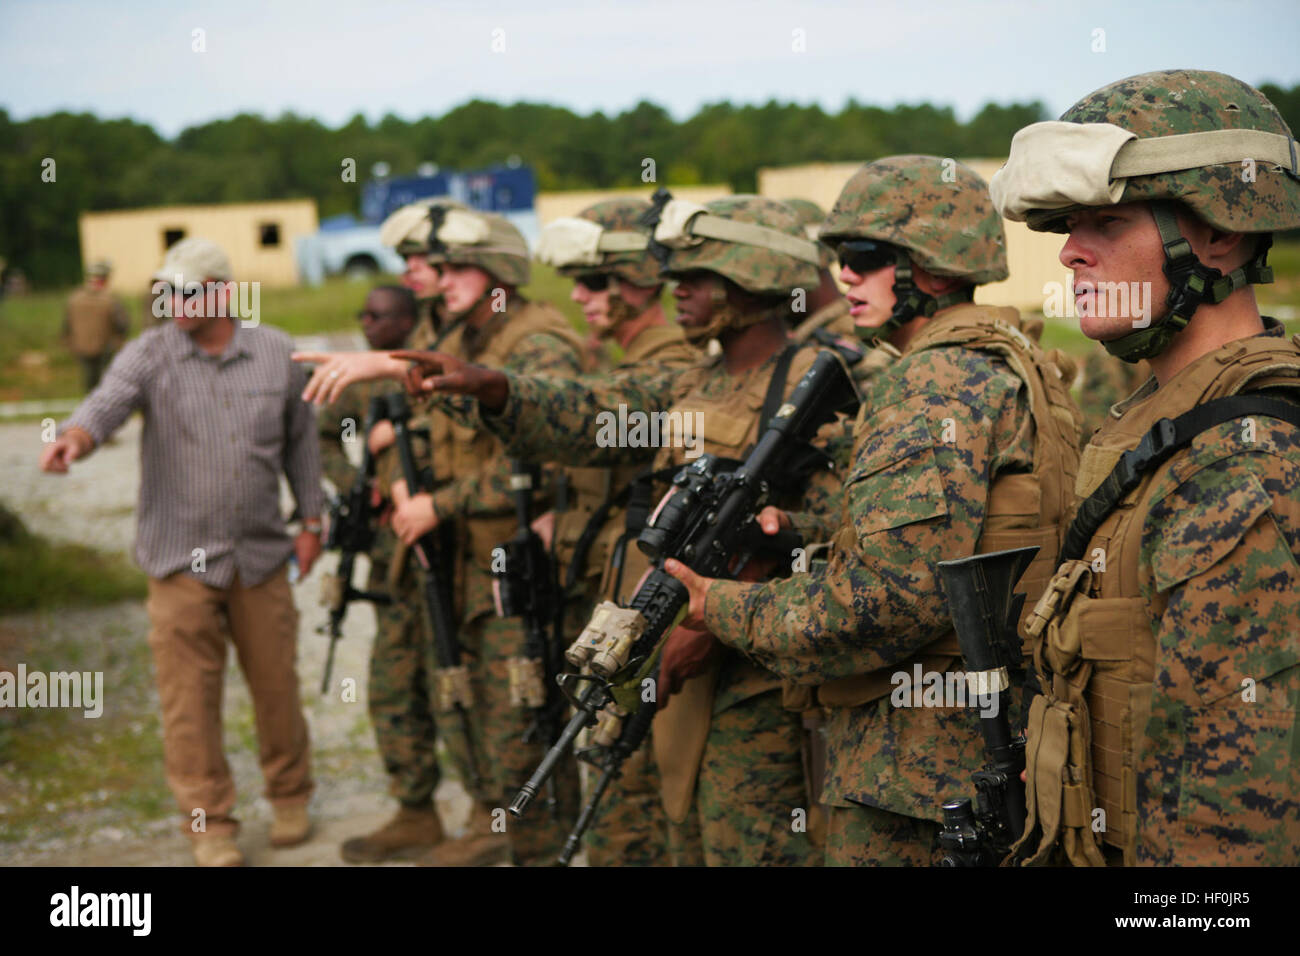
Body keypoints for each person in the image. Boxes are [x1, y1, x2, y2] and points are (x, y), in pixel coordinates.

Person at [334, 195, 850, 866]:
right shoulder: (693, 379)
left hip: (756, 678)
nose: (676, 293)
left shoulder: (826, 382)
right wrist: (492, 388)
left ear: (750, 280)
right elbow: (592, 412)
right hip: (665, 655)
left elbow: (837, 541)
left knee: (751, 846)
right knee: (667, 836)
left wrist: (728, 605)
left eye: (696, 278)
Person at [663, 157, 1083, 866]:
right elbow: (962, 541)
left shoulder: (930, 385)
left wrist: (724, 607)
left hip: (916, 773)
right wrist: (810, 534)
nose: (844, 276)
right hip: (987, 746)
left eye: (862, 258)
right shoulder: (1015, 359)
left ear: (938, 270)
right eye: (838, 258)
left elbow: (888, 602)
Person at [988, 68, 1300, 866]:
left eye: (1107, 222)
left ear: (1218, 234)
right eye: (1067, 223)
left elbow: (1234, 818)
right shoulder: (1155, 419)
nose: (1069, 251)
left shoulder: (1243, 466)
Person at [299, 207, 586, 866]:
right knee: (467, 706)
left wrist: (441, 503)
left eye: (458, 266)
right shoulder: (467, 337)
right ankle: (495, 830)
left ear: (502, 273)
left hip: (513, 562)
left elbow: (545, 466)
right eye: (441, 265)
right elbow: (424, 432)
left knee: (523, 719)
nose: (437, 277)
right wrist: (406, 490)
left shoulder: (536, 342)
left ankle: (537, 848)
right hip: (461, 555)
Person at [39, 238, 323, 867]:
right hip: (177, 560)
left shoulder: (275, 351)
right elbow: (107, 402)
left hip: (259, 557)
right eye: (166, 292)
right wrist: (74, 438)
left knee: (277, 686)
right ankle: (210, 823)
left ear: (223, 291)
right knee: (188, 700)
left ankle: (291, 795)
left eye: (188, 292)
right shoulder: (150, 352)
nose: (174, 303)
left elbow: (303, 443)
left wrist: (312, 517)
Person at [531, 198, 699, 865]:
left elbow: (591, 418)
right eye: (578, 281)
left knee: (635, 793)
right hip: (614, 597)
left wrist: (487, 389)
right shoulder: (620, 356)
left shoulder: (675, 360)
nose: (580, 296)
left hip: (652, 606)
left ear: (643, 280)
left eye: (597, 281)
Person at [62, 260, 129, 393]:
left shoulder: (74, 299)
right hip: (106, 347)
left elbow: (66, 325)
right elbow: (123, 324)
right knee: (107, 383)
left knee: (90, 384)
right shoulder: (111, 300)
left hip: (81, 347)